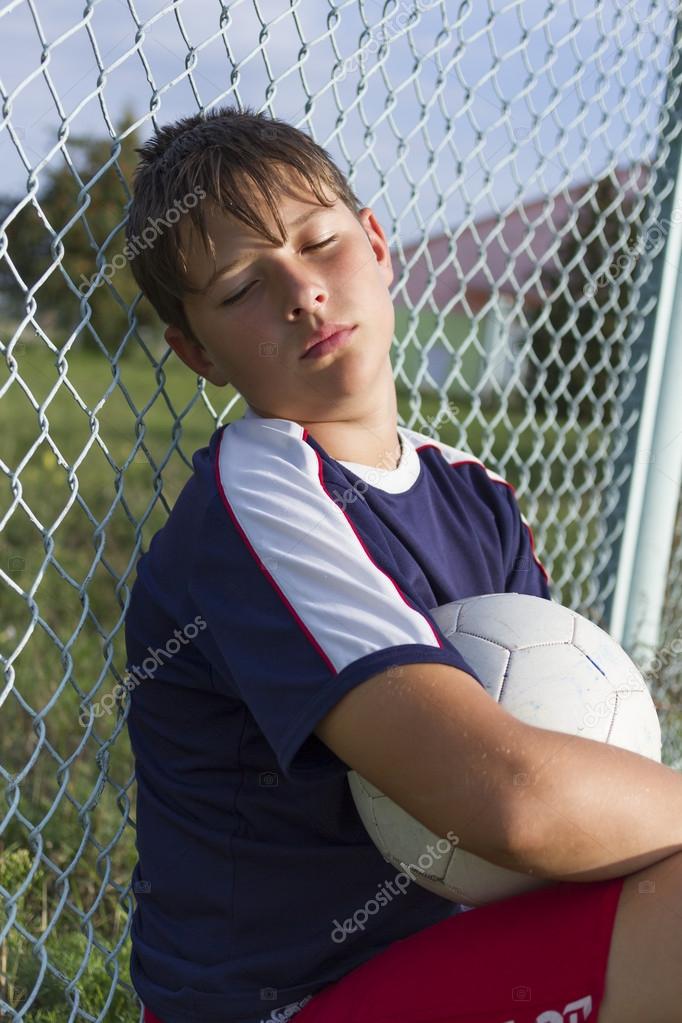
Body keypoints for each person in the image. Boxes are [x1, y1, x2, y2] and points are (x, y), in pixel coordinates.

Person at [122, 105, 682, 1023]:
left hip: (448, 949)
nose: (301, 292)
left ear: (377, 243)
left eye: (319, 242)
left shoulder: (475, 492)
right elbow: (515, 801)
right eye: (240, 289)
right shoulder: (255, 501)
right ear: (197, 352)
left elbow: (564, 770)